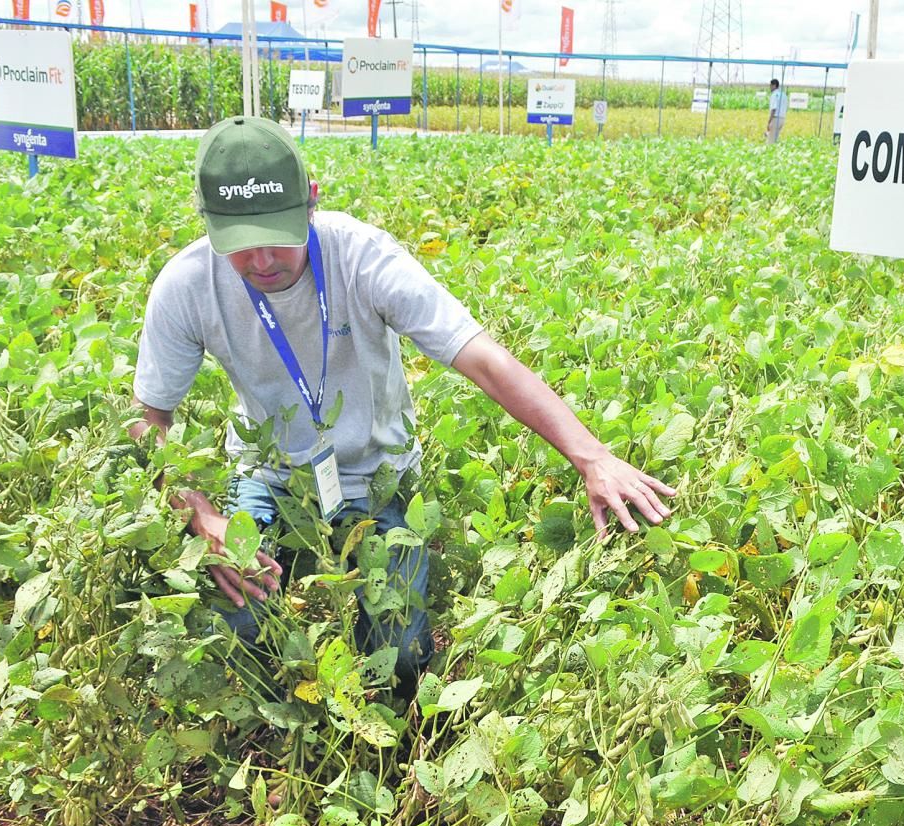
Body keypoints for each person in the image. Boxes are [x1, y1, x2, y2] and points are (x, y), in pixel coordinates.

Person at [130, 116, 675, 692]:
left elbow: (485, 359)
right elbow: (147, 420)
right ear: (209, 225)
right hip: (271, 477)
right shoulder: (187, 284)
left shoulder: (363, 258)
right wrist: (201, 515)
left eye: (277, 236)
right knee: (237, 623)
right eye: (240, 244)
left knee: (402, 654)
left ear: (311, 202)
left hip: (377, 476)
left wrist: (590, 457)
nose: (262, 260)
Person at [766, 78, 785, 144]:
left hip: (775, 119)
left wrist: (769, 122)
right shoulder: (783, 94)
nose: (770, 87)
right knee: (775, 139)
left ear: (774, 85)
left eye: (770, 86)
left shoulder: (774, 95)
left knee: (770, 142)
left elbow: (774, 109)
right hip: (782, 119)